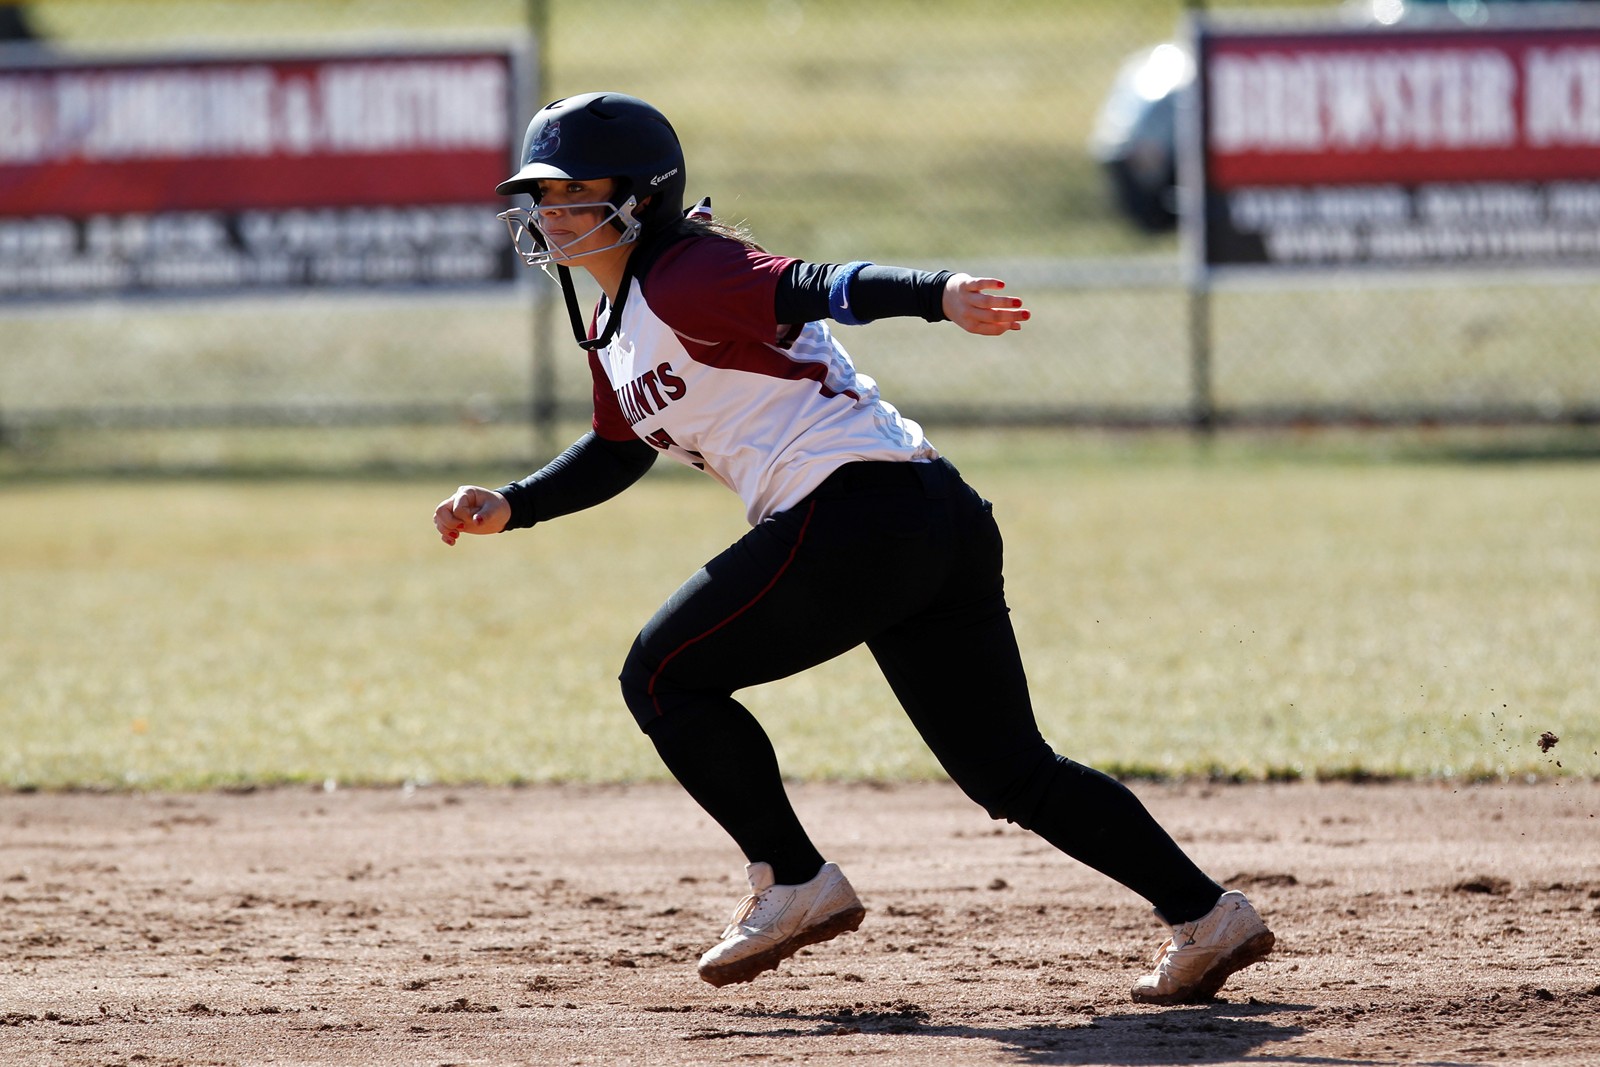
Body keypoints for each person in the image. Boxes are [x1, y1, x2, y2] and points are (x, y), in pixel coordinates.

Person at [433, 91, 1274, 1004]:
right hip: (924, 513)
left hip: (855, 511)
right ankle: (1205, 915)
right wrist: (511, 504)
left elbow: (816, 282)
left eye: (571, 192)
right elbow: (615, 449)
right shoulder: (620, 321)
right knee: (1009, 769)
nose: (549, 214)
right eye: (539, 196)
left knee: (661, 675)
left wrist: (936, 295)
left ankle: (792, 879)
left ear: (641, 193)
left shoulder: (684, 272)